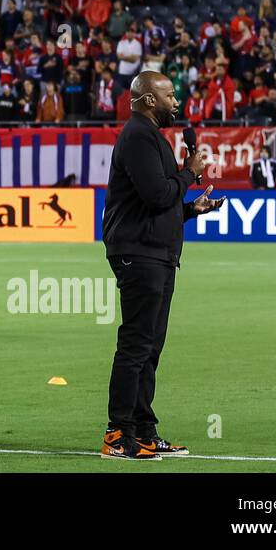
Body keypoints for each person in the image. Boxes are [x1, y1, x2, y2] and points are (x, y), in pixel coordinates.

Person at [99, 71, 224, 460]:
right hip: (140, 253)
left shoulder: (151, 138)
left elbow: (161, 202)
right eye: (169, 95)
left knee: (150, 346)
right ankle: (117, 434)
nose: (176, 102)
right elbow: (156, 196)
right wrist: (189, 172)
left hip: (156, 251)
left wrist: (190, 209)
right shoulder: (138, 136)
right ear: (148, 100)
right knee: (136, 344)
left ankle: (143, 430)